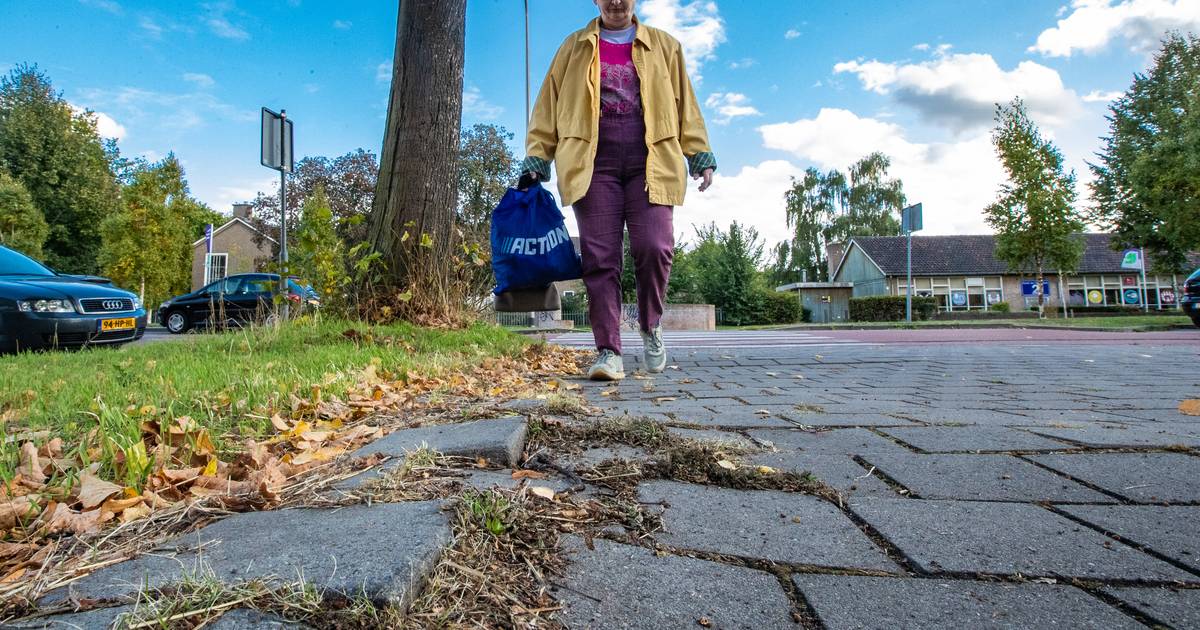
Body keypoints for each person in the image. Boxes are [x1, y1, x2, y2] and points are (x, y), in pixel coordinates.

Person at [520, 0, 716, 381]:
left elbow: (686, 107)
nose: (615, 1)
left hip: (651, 159)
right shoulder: (573, 48)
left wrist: (699, 153)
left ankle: (650, 324)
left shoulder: (665, 47)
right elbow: (547, 108)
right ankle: (608, 351)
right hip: (592, 162)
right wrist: (538, 156)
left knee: (655, 247)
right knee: (600, 257)